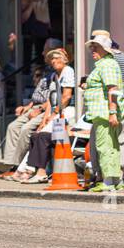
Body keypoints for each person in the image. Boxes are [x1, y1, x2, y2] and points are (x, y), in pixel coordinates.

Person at [12, 48, 75, 184]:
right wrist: (45, 118)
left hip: (67, 111)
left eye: (57, 57)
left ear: (65, 59)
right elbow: (50, 100)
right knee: (37, 133)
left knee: (41, 136)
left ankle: (30, 171)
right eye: (52, 58)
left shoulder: (68, 71)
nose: (54, 60)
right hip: (55, 111)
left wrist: (53, 114)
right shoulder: (54, 76)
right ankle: (26, 170)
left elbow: (66, 97)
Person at [82, 33, 124, 192]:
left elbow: (112, 89)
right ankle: (115, 179)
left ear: (105, 49)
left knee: (104, 146)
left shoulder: (106, 64)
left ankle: (107, 181)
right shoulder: (105, 64)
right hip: (103, 112)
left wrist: (112, 112)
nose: (92, 50)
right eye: (92, 47)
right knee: (111, 145)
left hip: (104, 112)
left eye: (96, 47)